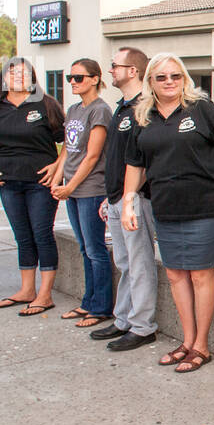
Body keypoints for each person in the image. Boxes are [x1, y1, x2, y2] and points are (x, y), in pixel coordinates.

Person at [122, 54, 214, 372]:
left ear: (184, 78)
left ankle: (201, 346)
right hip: (165, 206)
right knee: (176, 275)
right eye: (161, 77)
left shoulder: (200, 108)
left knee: (201, 275)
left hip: (205, 206)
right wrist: (127, 202)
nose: (169, 82)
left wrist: (212, 168)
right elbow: (135, 164)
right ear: (150, 81)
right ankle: (187, 341)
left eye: (176, 76)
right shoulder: (142, 116)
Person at [0, 58, 65, 315]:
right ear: (4, 77)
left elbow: (70, 142)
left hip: (40, 181)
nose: (18, 76)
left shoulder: (46, 104)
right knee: (22, 237)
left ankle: (45, 294)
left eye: (24, 72)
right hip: (8, 182)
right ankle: (27, 290)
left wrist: (56, 167)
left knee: (42, 234)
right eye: (12, 72)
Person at [91, 47, 159, 353]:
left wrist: (129, 198)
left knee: (140, 263)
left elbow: (144, 161)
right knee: (124, 262)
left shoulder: (145, 108)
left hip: (136, 200)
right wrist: (111, 198)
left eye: (114, 66)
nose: (110, 71)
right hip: (117, 199)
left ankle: (143, 327)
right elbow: (117, 159)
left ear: (133, 71)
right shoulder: (121, 108)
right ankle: (123, 320)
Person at [53, 59, 113, 328]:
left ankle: (101, 307)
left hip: (90, 189)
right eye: (71, 78)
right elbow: (67, 149)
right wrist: (57, 179)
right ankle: (88, 302)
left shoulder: (100, 111)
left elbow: (92, 156)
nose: (73, 83)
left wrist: (71, 186)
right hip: (73, 188)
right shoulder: (74, 109)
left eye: (79, 77)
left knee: (95, 249)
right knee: (83, 248)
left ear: (95, 79)